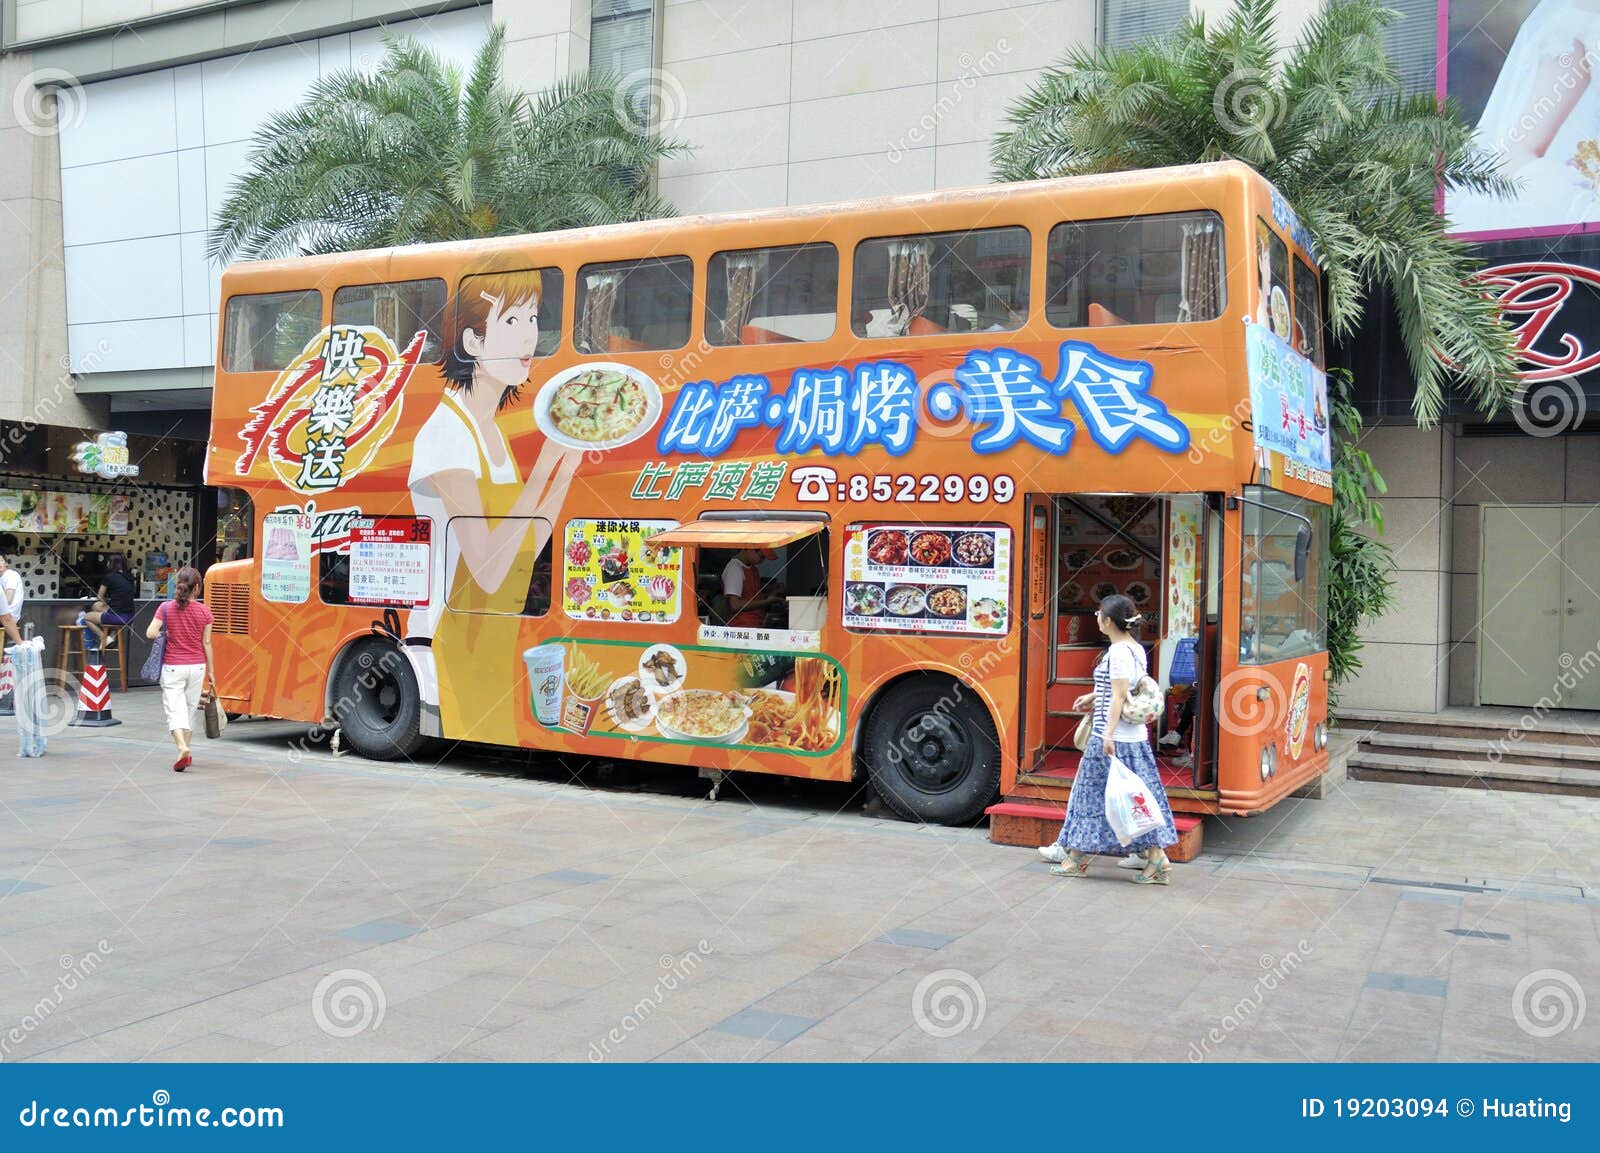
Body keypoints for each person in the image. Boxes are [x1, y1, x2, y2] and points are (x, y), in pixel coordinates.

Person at [409, 255, 581, 744]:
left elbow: (525, 547)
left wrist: (567, 468)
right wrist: (543, 467)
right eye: (511, 321)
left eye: (533, 318)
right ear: (472, 342)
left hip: (496, 628)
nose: (530, 337)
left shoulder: (489, 429)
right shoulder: (446, 434)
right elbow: (486, 568)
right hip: (458, 634)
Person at [1038, 594, 1178, 885]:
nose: (1096, 618)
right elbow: (1125, 688)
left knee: (1089, 797)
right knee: (1135, 798)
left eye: (1098, 614)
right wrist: (1093, 695)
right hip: (1134, 738)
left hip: (1110, 737)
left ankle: (1076, 859)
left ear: (1108, 620)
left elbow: (1119, 696)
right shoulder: (1135, 648)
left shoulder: (1117, 653)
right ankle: (1154, 858)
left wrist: (1108, 734)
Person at [145, 566, 214, 772]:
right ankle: (186, 752)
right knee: (190, 709)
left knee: (175, 710)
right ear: (197, 588)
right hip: (198, 666)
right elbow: (207, 643)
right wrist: (212, 671)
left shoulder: (165, 608)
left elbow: (150, 633)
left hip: (173, 667)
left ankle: (182, 747)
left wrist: (164, 635)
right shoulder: (205, 611)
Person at [81, 554, 136, 652]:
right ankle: (112, 634)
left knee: (87, 617)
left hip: (117, 616)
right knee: (96, 606)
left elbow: (100, 597)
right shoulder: (130, 577)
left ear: (111, 564)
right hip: (130, 616)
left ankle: (104, 638)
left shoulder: (109, 577)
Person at [720, 546, 782, 626]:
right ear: (750, 549)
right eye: (761, 556)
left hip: (755, 623)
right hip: (741, 626)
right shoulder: (734, 569)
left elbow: (752, 597)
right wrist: (767, 602)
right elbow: (735, 605)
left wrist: (772, 593)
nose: (762, 561)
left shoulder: (753, 569)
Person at [0, 553, 25, 646]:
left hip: (9, 617)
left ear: (6, 563)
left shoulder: (11, 575)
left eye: (1, 560)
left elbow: (7, 600)